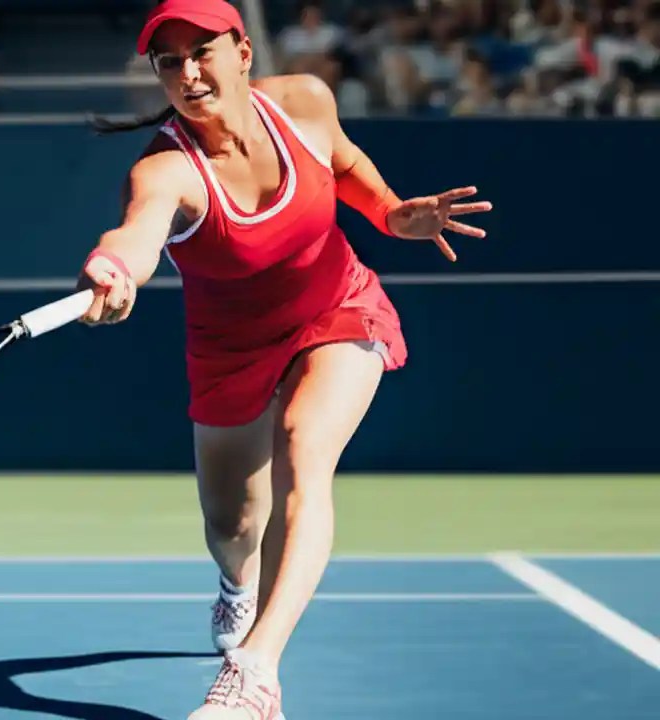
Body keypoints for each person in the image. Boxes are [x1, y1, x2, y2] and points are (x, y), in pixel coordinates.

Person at [75, 1, 492, 718]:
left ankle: (256, 674)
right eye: (168, 61)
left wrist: (393, 212)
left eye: (201, 51)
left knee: (303, 443)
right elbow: (137, 234)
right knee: (232, 527)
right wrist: (111, 269)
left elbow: (346, 162)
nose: (187, 72)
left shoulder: (302, 101)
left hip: (337, 306)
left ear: (242, 51)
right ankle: (237, 589)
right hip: (228, 352)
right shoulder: (168, 170)